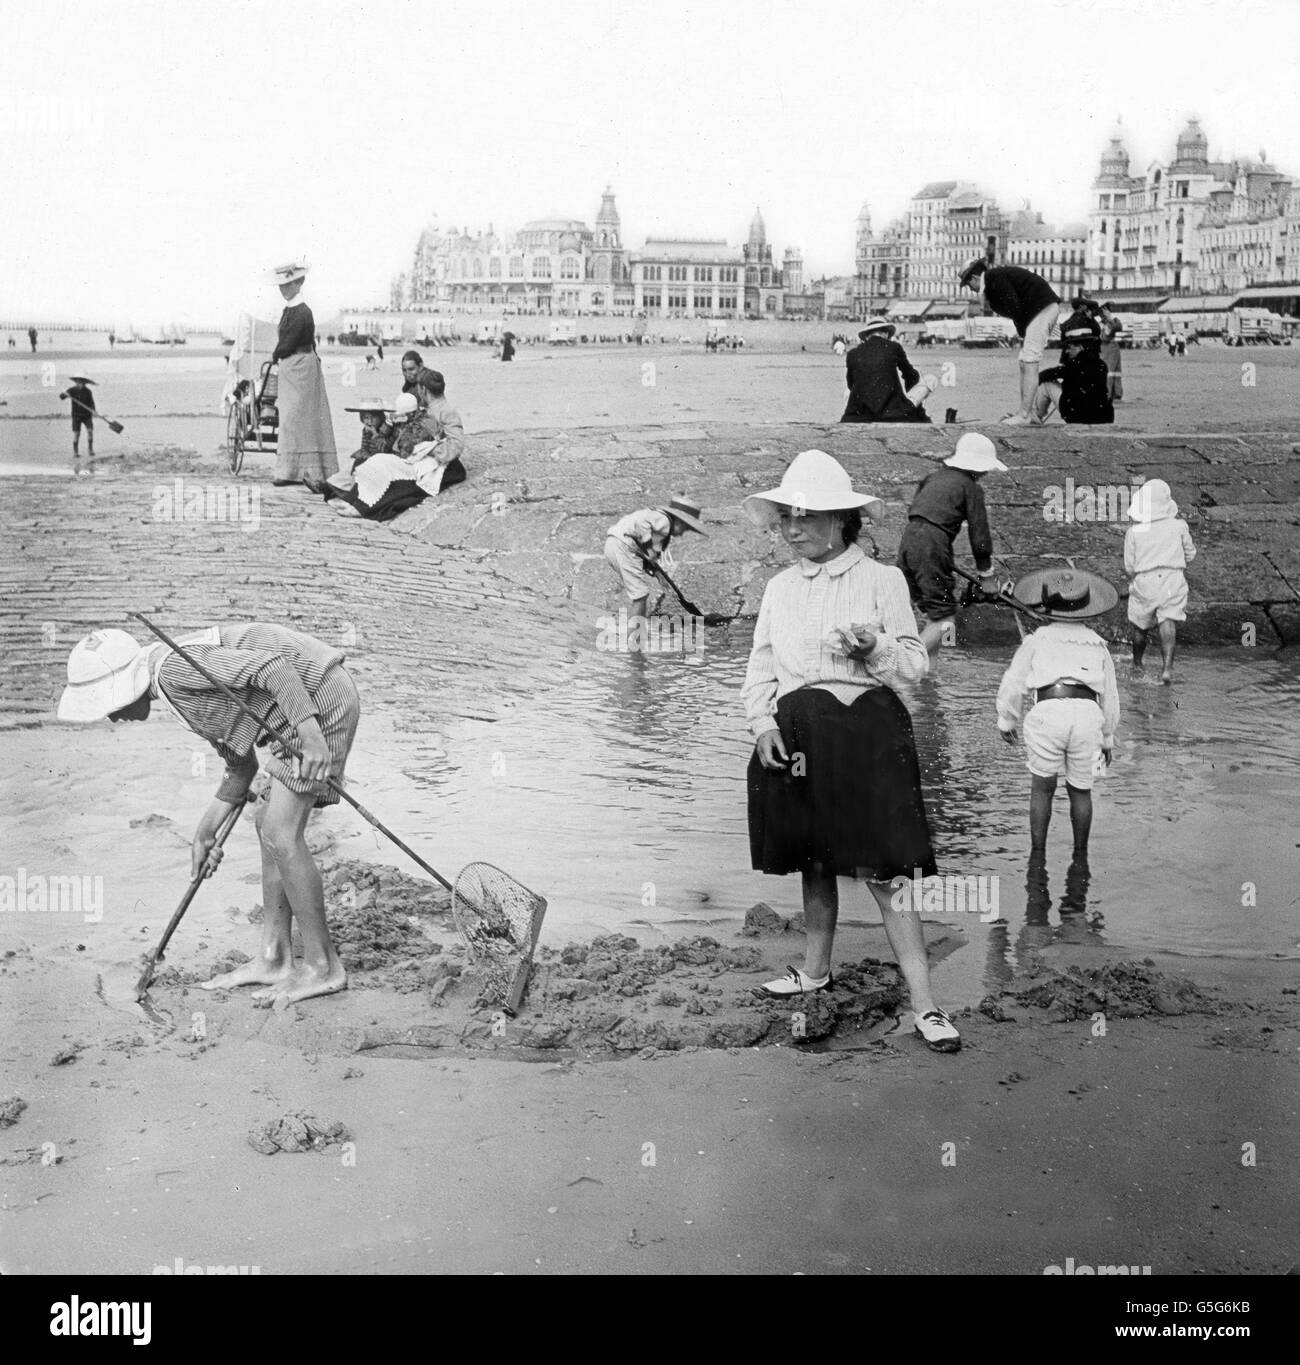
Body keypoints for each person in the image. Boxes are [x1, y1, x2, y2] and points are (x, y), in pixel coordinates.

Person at [740, 449, 960, 1052]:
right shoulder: (780, 588)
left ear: (842, 520)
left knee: (888, 871)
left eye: (805, 516)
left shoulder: (882, 580)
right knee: (813, 859)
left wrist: (873, 648)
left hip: (867, 733)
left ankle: (926, 1005)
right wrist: (761, 723)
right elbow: (761, 663)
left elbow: (914, 667)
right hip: (798, 732)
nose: (792, 528)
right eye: (786, 516)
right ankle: (814, 970)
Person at [56, 623, 361, 1007]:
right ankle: (275, 957)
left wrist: (312, 737)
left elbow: (273, 669)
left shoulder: (174, 670)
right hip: (298, 713)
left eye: (108, 707)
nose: (112, 718)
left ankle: (323, 967)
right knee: (267, 822)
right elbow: (240, 765)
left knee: (282, 832)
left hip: (320, 703)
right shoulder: (174, 690)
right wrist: (205, 832)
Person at [995, 569, 1120, 858]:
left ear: (1047, 607)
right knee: (1081, 790)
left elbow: (1013, 683)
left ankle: (1037, 855)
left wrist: (1007, 720)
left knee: (1042, 788)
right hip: (1089, 716)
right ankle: (1080, 856)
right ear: (1087, 610)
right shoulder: (1099, 645)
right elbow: (1110, 696)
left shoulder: (1036, 640)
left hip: (1048, 713)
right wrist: (1108, 738)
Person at [897, 431, 1007, 653]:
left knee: (934, 612)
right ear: (978, 467)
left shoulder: (932, 477)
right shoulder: (971, 488)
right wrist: (986, 575)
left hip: (908, 542)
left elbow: (921, 511)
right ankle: (905, 659)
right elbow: (980, 536)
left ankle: (934, 669)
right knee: (947, 618)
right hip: (933, 547)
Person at [959, 258, 1061, 425]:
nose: (971, 289)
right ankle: (1028, 413)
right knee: (1024, 361)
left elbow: (1014, 307)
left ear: (975, 278)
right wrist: (1024, 334)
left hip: (1043, 309)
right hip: (1043, 309)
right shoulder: (995, 278)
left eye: (969, 285)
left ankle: (1025, 415)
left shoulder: (993, 279)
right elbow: (1017, 309)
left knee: (1029, 360)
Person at [268, 261, 338, 487]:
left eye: (288, 284)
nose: (283, 289)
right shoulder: (289, 309)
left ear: (299, 283)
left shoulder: (302, 311)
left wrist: (275, 354)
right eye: (281, 285)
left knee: (299, 418)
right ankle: (291, 470)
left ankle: (303, 471)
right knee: (290, 417)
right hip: (291, 367)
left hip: (300, 366)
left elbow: (288, 341)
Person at [1124, 478, 1196, 683]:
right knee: (1168, 621)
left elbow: (1129, 565)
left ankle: (1137, 663)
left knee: (1140, 625)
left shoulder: (1134, 532)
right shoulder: (1179, 526)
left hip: (1145, 579)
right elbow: (1190, 553)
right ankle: (1167, 670)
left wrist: (1134, 580)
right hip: (1173, 578)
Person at [604, 497, 708, 625]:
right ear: (678, 520)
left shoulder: (659, 524)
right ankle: (633, 637)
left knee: (639, 593)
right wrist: (650, 549)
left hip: (614, 544)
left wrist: (655, 570)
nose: (681, 534)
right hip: (623, 546)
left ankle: (634, 629)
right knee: (640, 596)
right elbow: (642, 525)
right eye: (684, 528)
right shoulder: (664, 520)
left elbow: (643, 546)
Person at [840, 317, 937, 423]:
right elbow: (911, 376)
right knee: (930, 379)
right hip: (894, 414)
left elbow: (851, 385)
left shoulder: (852, 353)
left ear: (867, 336)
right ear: (886, 333)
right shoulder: (894, 347)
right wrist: (912, 404)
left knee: (851, 390)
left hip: (859, 416)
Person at [1030, 312, 1114, 425]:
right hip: (1103, 417)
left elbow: (1044, 375)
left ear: (1080, 347)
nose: (1068, 351)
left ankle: (1036, 417)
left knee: (1046, 385)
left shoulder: (1073, 364)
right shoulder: (1102, 364)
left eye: (1070, 347)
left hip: (1077, 417)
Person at [59, 375, 97, 467]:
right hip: (76, 416)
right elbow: (61, 396)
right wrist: (65, 395)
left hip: (87, 415)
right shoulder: (71, 390)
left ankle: (90, 450)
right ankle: (75, 452)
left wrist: (93, 410)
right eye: (78, 382)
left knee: (90, 431)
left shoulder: (88, 392)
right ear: (76, 382)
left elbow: (92, 402)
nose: (80, 384)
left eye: (82, 382)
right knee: (76, 434)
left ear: (85, 383)